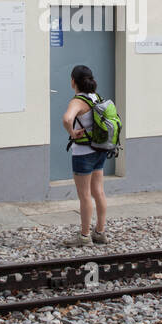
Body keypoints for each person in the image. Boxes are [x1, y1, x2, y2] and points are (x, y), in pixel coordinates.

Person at [62, 64, 109, 247]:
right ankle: (100, 231)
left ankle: (84, 236)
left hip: (83, 154)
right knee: (99, 192)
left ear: (73, 81)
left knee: (84, 196)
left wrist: (72, 133)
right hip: (99, 150)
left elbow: (67, 119)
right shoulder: (96, 97)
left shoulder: (77, 101)